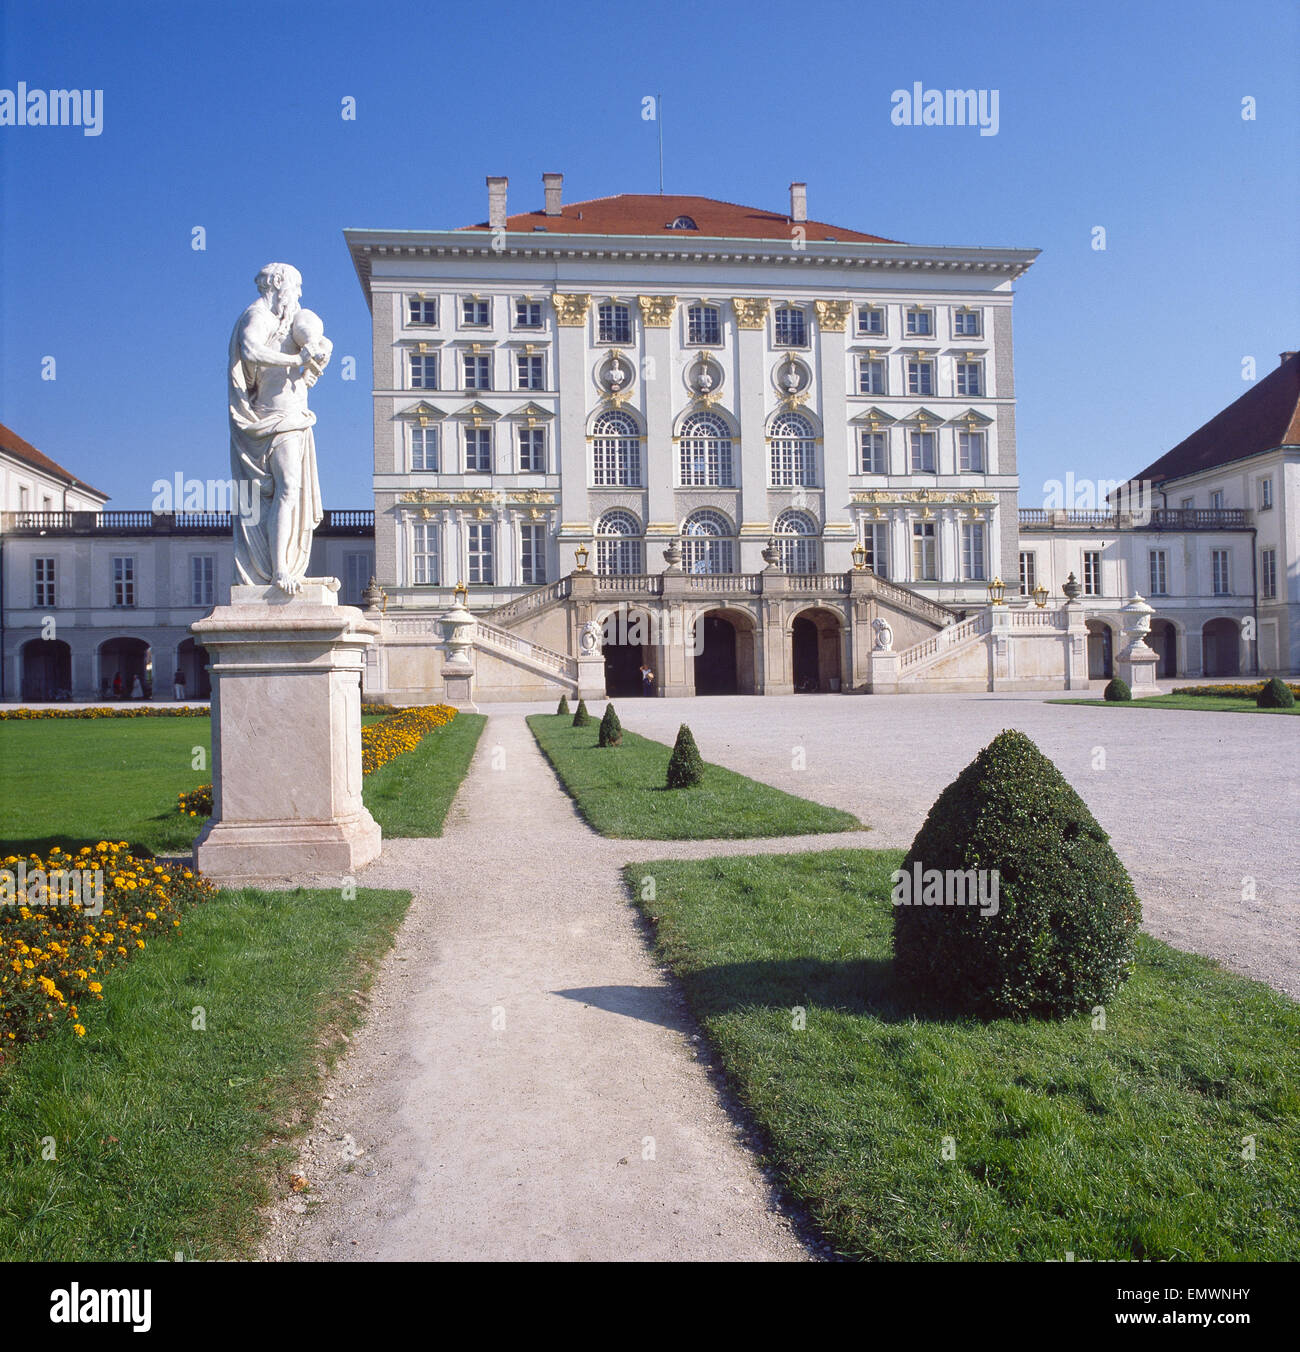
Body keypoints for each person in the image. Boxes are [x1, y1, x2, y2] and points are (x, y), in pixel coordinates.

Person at [228, 262, 331, 596]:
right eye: (296, 286)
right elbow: (251, 350)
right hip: (272, 419)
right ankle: (280, 572)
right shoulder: (257, 316)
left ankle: (287, 569)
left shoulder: (287, 321)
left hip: (293, 414)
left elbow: (305, 361)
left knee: (290, 494)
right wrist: (297, 361)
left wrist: (312, 366)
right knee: (287, 490)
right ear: (278, 283)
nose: (298, 294)